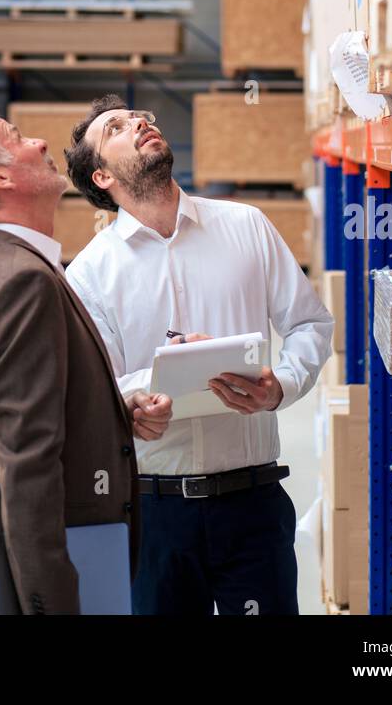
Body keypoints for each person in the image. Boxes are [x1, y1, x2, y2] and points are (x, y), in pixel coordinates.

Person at [64, 95, 334, 617]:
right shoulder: (91, 274)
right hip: (154, 512)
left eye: (140, 117)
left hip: (252, 502)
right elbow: (97, 388)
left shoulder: (246, 226)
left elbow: (310, 323)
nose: (140, 122)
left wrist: (281, 382)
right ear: (101, 177)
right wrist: (136, 401)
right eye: (117, 127)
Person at [0, 105, 173, 615]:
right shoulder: (24, 281)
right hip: (37, 584)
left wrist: (112, 413)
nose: (39, 143)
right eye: (17, 138)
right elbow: (25, 462)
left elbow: (26, 410)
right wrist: (53, 604)